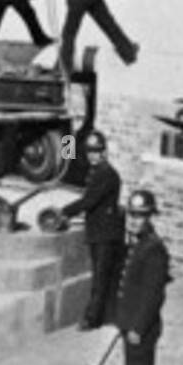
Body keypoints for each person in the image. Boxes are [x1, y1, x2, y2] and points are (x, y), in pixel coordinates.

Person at [114, 188, 171, 365]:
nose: (135, 220)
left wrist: (137, 327)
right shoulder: (137, 243)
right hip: (131, 326)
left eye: (141, 216)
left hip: (142, 330)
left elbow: (152, 296)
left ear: (150, 217)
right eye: (132, 215)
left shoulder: (154, 250)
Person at [58, 130, 124, 330]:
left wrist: (64, 212)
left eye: (96, 151)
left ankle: (92, 319)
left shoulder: (105, 173)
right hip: (98, 231)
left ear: (104, 152)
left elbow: (90, 200)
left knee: (101, 278)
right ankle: (101, 315)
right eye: (89, 151)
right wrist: (67, 143)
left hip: (105, 234)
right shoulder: (95, 171)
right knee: (100, 276)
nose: (92, 155)